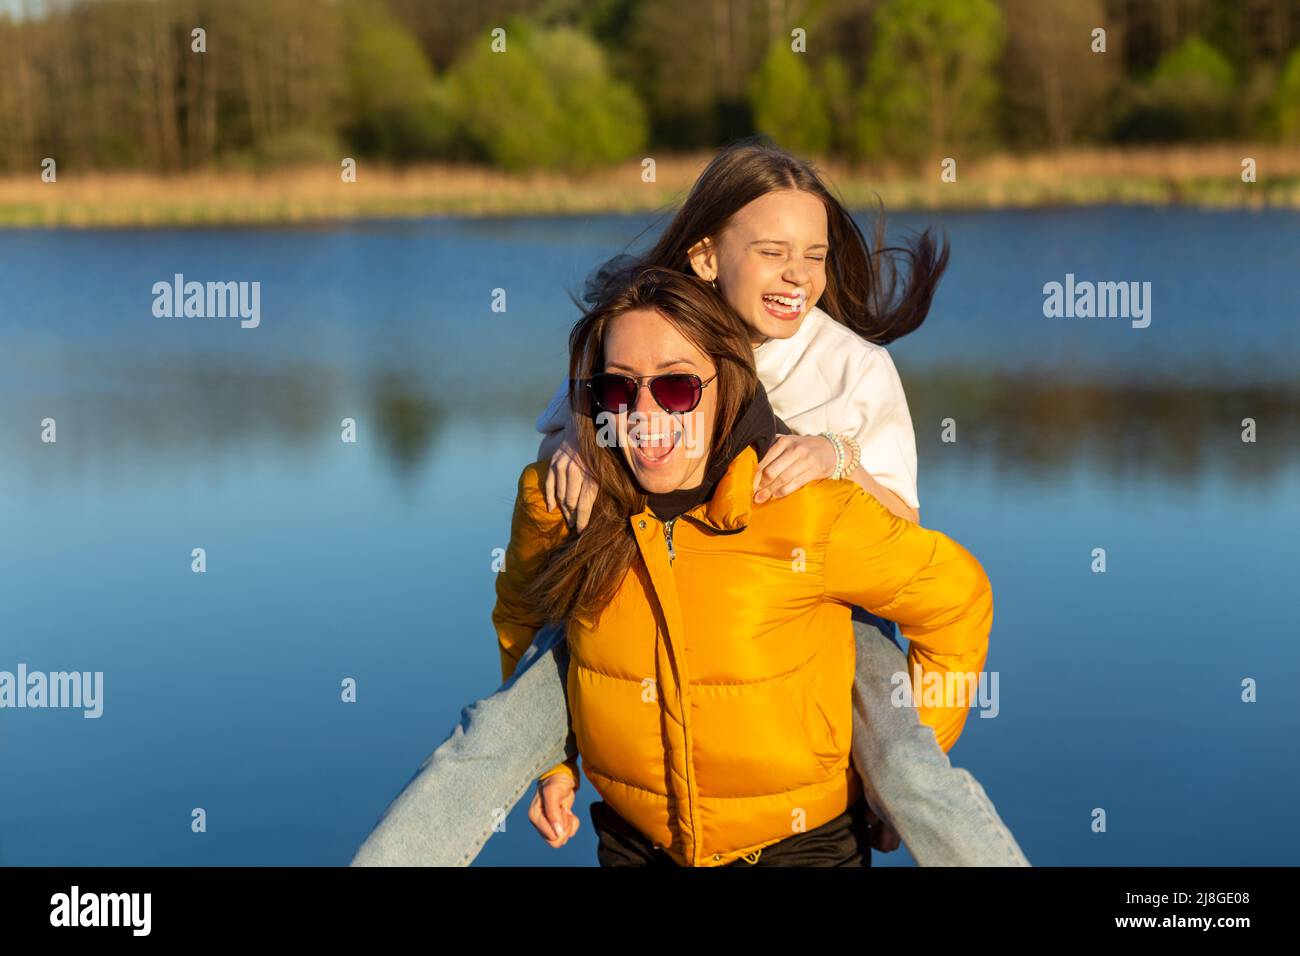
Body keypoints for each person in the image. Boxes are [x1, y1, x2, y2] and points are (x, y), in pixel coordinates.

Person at [351, 139, 1028, 867]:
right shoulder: (654, 328)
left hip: (816, 603)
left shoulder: (850, 364)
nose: (798, 275)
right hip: (641, 585)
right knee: (497, 732)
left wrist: (838, 458)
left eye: (815, 255)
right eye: (773, 252)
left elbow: (905, 531)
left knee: (907, 767)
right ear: (707, 258)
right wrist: (577, 446)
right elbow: (565, 431)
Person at [511, 268, 991, 865]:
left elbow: (958, 601)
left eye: (678, 388)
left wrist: (899, 769)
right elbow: (523, 614)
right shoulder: (561, 500)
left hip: (803, 851)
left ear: (728, 385)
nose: (643, 413)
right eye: (618, 389)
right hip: (633, 847)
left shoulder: (809, 512)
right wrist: (552, 761)